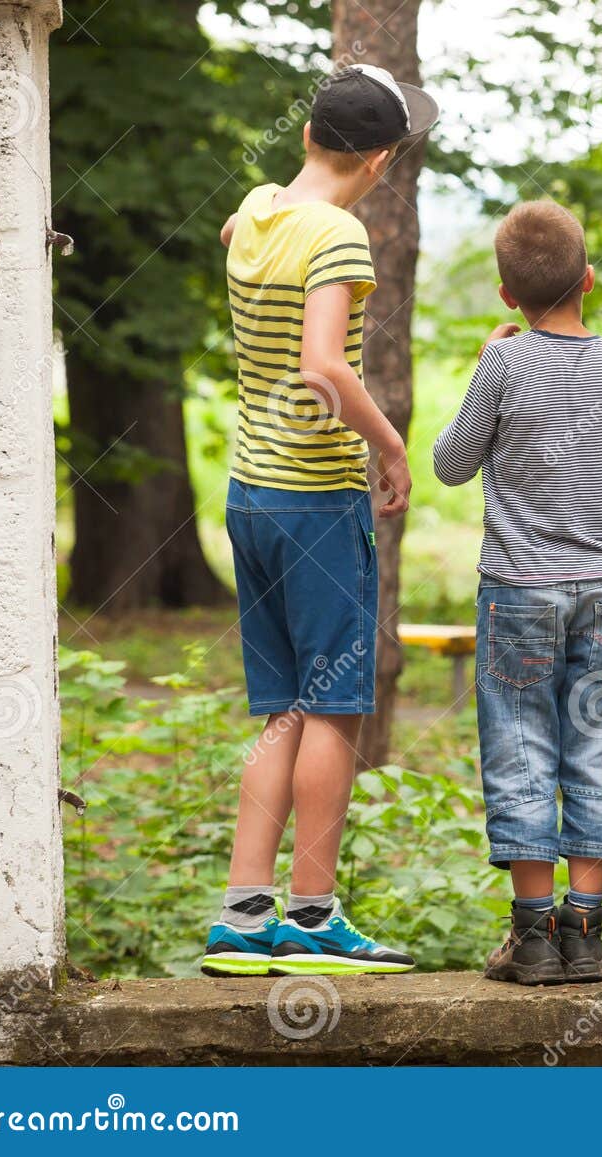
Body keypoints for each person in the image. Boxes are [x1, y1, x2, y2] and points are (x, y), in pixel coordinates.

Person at [203, 65, 437, 977]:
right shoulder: (339, 235)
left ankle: (241, 915)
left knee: (279, 710)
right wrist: (389, 446)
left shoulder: (258, 208)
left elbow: (234, 227)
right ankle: (311, 914)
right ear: (378, 159)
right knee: (331, 709)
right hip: (313, 496)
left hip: (249, 494)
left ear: (309, 137)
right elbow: (323, 368)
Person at [433, 200, 602, 986]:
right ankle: (586, 932)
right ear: (588, 280)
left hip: (517, 593)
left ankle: (532, 939)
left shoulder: (502, 363)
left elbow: (452, 463)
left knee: (521, 745)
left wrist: (485, 363)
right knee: (601, 746)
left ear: (506, 298)